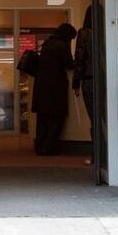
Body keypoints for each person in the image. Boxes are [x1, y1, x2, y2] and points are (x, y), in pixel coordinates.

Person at [32, 22, 76, 156]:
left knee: (43, 118)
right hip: (56, 86)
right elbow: (69, 64)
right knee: (57, 118)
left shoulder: (47, 43)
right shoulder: (62, 45)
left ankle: (40, 147)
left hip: (42, 85)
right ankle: (49, 147)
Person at [72, 5, 105, 166]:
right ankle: (109, 155)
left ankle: (98, 156)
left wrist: (75, 82)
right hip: (106, 79)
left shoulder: (84, 33)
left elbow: (79, 58)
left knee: (95, 120)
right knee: (106, 118)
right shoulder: (106, 31)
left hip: (90, 80)